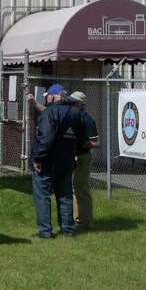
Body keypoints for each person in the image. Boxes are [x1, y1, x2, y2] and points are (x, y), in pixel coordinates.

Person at [32, 83, 87, 238]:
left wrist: (38, 158)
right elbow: (81, 139)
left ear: (52, 96)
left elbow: (46, 138)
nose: (46, 99)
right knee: (65, 195)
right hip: (67, 161)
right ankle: (67, 229)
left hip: (48, 162)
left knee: (42, 195)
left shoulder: (50, 112)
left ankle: (45, 231)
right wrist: (74, 155)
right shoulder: (76, 113)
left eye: (47, 96)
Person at [69, 91, 99, 230]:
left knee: (81, 189)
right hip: (70, 157)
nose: (70, 104)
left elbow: (95, 142)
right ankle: (76, 219)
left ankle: (86, 222)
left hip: (82, 157)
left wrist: (79, 142)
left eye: (73, 102)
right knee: (73, 190)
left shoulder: (87, 119)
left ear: (80, 104)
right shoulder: (70, 117)